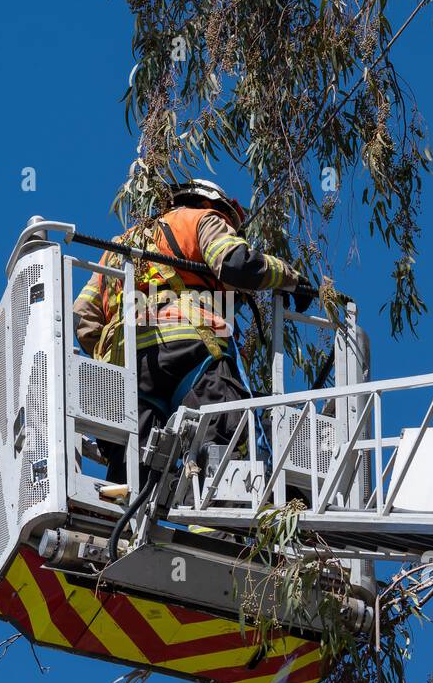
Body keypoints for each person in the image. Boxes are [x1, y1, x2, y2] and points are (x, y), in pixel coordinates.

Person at [72, 180, 310, 483]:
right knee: (217, 425)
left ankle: (125, 521)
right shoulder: (202, 218)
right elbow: (236, 263)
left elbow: (82, 316)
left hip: (133, 368)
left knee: (134, 463)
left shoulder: (121, 245)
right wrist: (289, 276)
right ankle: (214, 519)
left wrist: (116, 355)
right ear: (216, 205)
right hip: (192, 349)